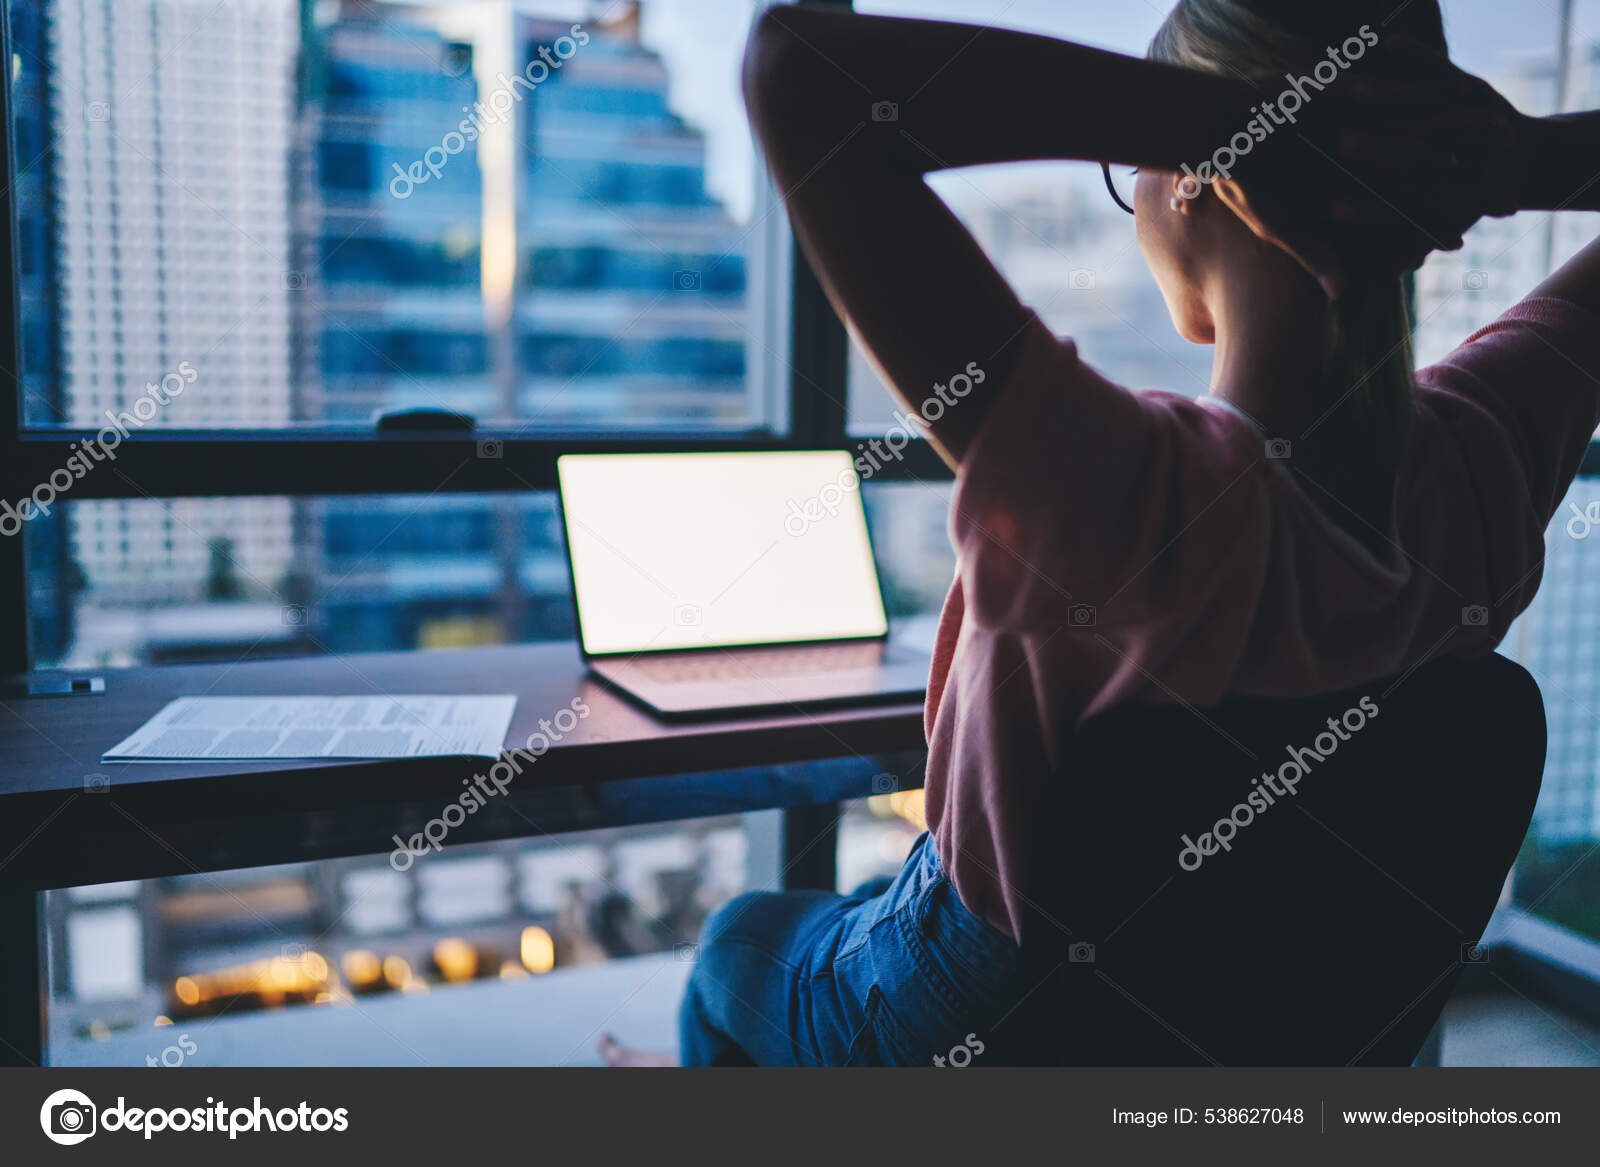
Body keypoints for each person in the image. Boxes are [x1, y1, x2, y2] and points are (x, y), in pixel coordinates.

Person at [606, 0, 1600, 1066]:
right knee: (859, 899)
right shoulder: (1482, 464)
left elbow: (795, 66)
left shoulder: (1123, 490)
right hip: (1234, 1027)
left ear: (1197, 177)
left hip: (977, 1000)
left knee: (738, 944)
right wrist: (1514, 160)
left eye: (1139, 165)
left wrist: (1262, 123)